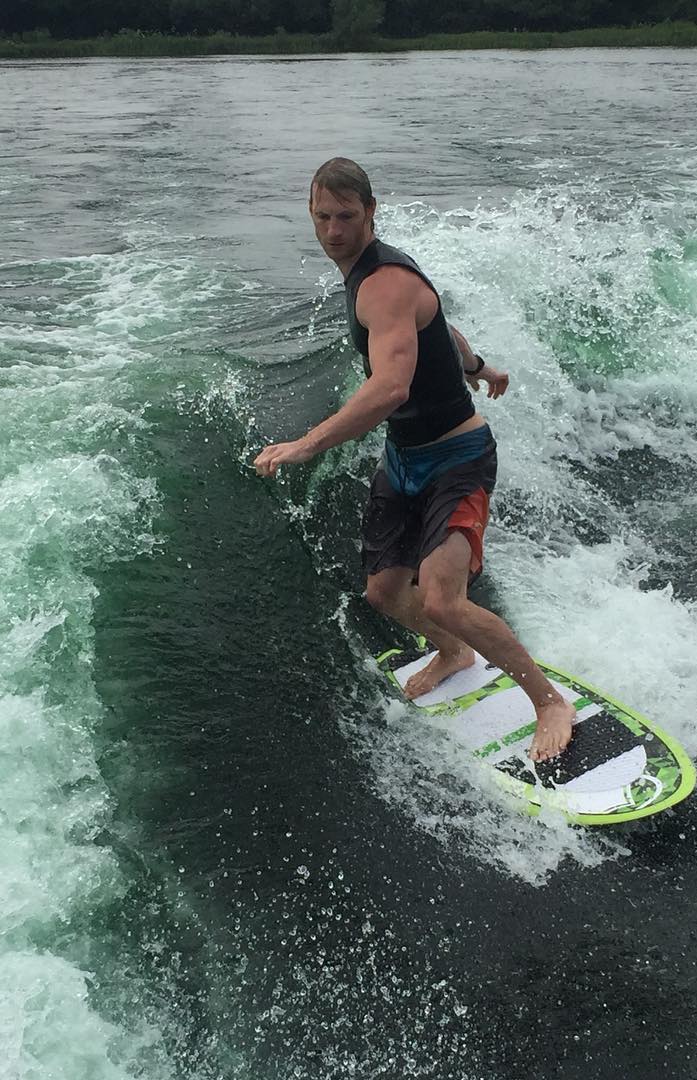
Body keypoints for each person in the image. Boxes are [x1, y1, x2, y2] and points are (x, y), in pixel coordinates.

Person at [254, 158, 574, 762]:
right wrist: (482, 368)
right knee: (383, 594)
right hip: (403, 460)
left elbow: (392, 386)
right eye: (322, 217)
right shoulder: (367, 276)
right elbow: (440, 333)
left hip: (458, 457)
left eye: (347, 218)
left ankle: (549, 702)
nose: (334, 232)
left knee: (443, 599)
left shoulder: (385, 283)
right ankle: (454, 653)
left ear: (371, 213)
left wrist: (306, 443)